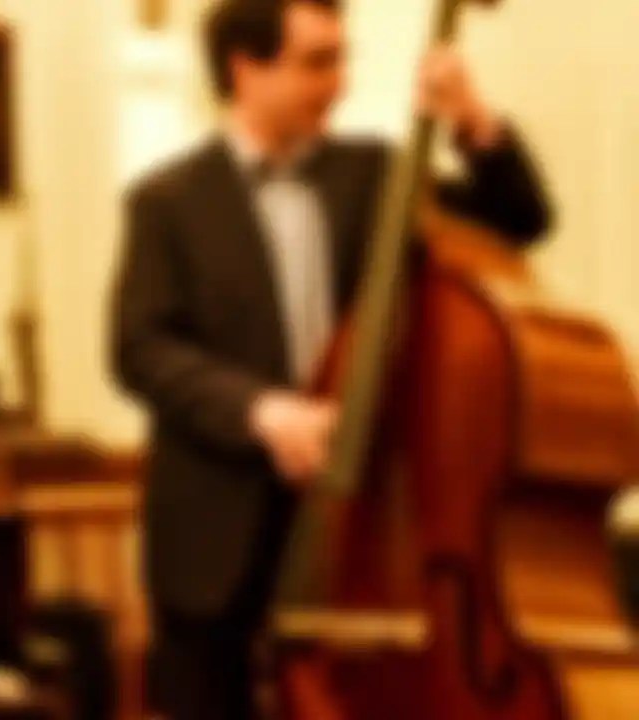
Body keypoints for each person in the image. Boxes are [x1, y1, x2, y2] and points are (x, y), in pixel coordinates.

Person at [109, 1, 552, 718]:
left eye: (343, 59)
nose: (340, 83)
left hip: (365, 529)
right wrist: (261, 412)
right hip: (215, 542)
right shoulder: (167, 204)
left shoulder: (377, 177)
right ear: (244, 69)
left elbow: (521, 221)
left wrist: (473, 119)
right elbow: (139, 349)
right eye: (317, 62)